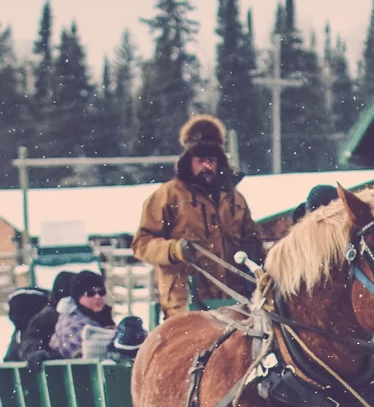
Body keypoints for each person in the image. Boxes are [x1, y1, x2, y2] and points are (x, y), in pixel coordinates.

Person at [131, 114, 265, 317]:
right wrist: (174, 250)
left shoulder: (236, 199)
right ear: (189, 161)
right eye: (200, 160)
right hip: (185, 306)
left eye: (211, 160)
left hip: (236, 305)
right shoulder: (167, 195)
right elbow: (142, 244)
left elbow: (254, 244)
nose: (206, 166)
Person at [49, 272, 116, 358]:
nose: (97, 296)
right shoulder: (72, 323)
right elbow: (90, 357)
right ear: (78, 297)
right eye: (90, 293)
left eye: (101, 292)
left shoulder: (100, 318)